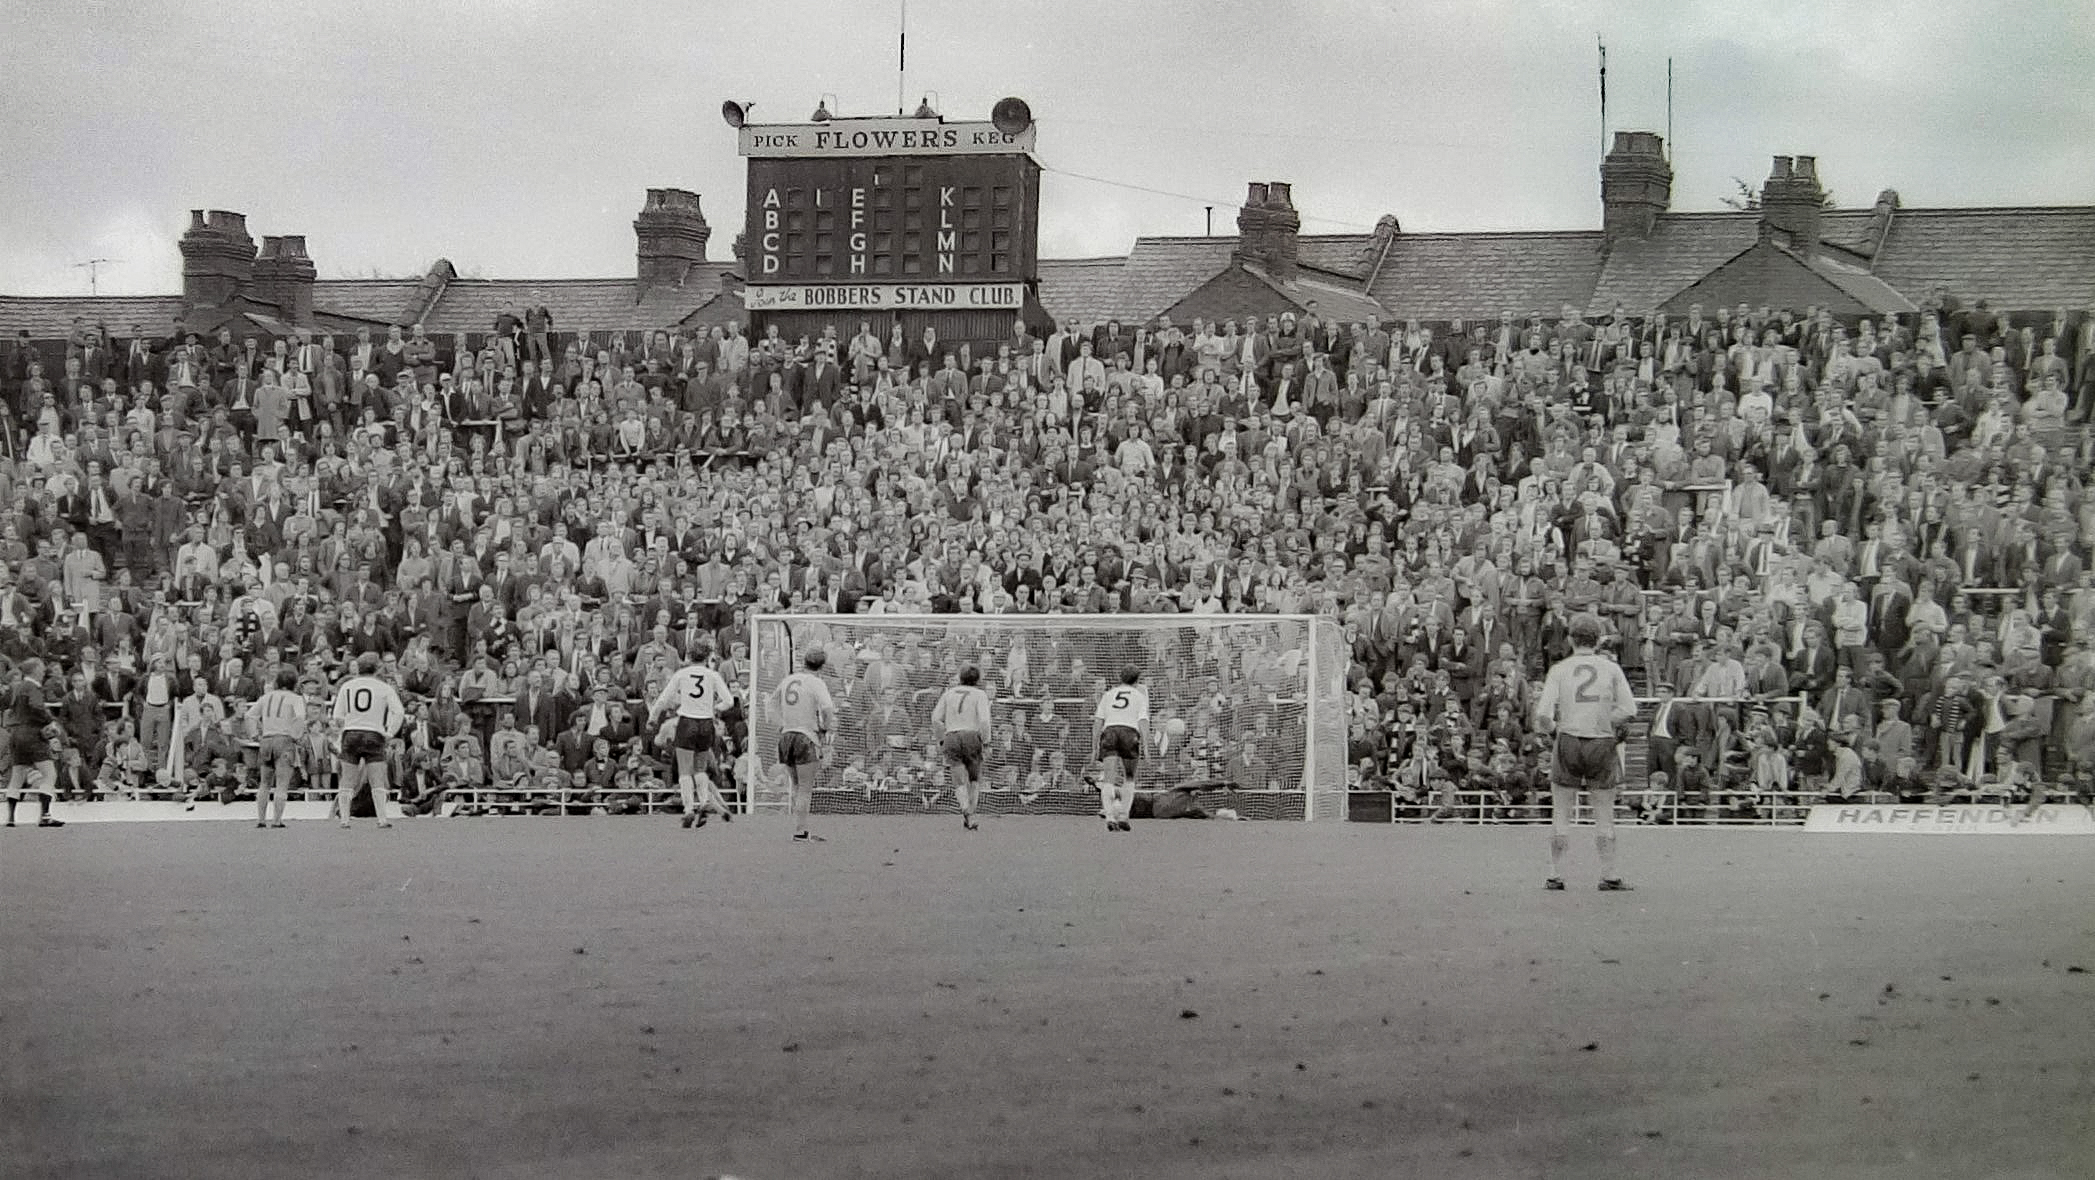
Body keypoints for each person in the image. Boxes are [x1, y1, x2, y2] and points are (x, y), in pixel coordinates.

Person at [1532, 614, 1637, 890]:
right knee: (1604, 812)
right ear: (1599, 639)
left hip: (1568, 738)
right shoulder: (1611, 668)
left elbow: (1543, 713)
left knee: (1561, 812)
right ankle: (1609, 874)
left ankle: (1555, 873)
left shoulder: (1560, 669)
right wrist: (1604, 719)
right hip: (1600, 741)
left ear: (1569, 639)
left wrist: (1555, 729)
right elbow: (1629, 710)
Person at [649, 642, 736, 828]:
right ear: (706, 658)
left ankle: (689, 809)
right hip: (706, 723)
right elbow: (729, 701)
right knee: (700, 768)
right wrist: (714, 708)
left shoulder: (681, 674)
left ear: (688, 657)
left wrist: (653, 716)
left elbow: (664, 698)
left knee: (684, 769)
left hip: (687, 722)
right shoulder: (712, 675)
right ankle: (704, 801)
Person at [330, 652, 404, 830]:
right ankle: (382, 819)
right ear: (378, 668)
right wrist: (390, 732)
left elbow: (337, 716)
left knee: (347, 779)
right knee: (377, 779)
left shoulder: (347, 686)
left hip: (351, 733)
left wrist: (345, 727)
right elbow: (398, 712)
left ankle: (345, 819)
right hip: (374, 734)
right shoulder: (384, 687)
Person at [772, 646, 837, 842]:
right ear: (822, 666)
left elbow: (772, 703)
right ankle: (800, 831)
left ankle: (801, 827)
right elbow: (827, 708)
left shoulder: (788, 680)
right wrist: (824, 728)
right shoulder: (816, 683)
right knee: (805, 788)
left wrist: (780, 723)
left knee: (797, 785)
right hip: (805, 737)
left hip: (786, 736)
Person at [930, 664, 993, 831]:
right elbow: (985, 721)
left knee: (958, 778)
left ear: (960, 678)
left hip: (952, 735)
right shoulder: (980, 694)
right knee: (974, 778)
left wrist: (941, 739)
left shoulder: (948, 694)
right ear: (978, 679)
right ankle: (972, 812)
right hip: (971, 736)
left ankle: (965, 808)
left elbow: (936, 719)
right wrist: (986, 742)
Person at [4, 659, 65, 828]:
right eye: (42, 669)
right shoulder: (33, 687)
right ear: (35, 670)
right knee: (50, 773)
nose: (44, 671)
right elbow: (36, 706)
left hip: (16, 734)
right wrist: (50, 720)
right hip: (32, 733)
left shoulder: (18, 687)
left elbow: (11, 710)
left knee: (17, 776)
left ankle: (10, 817)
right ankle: (45, 815)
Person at [244, 666, 305, 828]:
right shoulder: (295, 698)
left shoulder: (267, 697)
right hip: (284, 739)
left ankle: (261, 819)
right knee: (282, 783)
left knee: (264, 783)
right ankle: (277, 820)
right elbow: (300, 718)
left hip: (267, 739)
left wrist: (254, 735)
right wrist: (296, 736)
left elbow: (249, 715)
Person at [1093, 666, 1150, 833]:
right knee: (1130, 776)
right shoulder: (1140, 696)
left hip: (1110, 731)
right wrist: (1146, 746)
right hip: (1129, 732)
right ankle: (1124, 815)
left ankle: (1110, 816)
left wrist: (1094, 746)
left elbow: (1097, 722)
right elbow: (1143, 722)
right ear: (1137, 680)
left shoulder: (1109, 694)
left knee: (1109, 778)